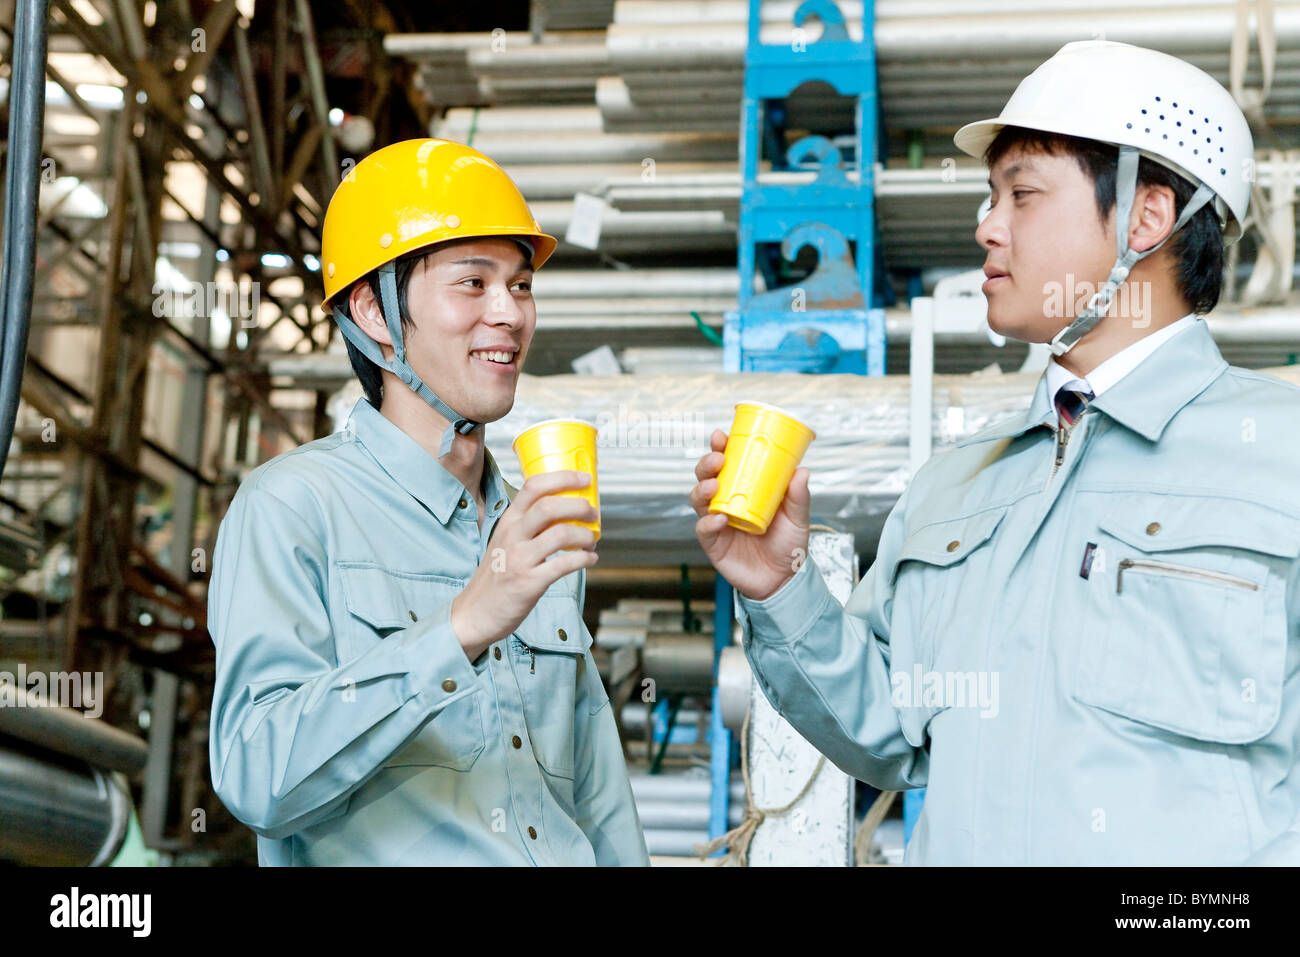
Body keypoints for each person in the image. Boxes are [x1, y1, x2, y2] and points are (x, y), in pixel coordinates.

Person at [690, 40, 1300, 865]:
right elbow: (885, 732)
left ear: (1146, 218)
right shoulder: (956, 484)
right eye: (991, 197)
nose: (986, 227)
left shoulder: (1281, 454)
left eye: (1023, 196)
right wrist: (780, 587)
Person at [208, 138, 648, 866]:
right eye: (473, 283)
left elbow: (597, 795)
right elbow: (257, 775)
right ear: (374, 313)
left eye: (522, 283)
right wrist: (460, 628)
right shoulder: (292, 508)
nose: (509, 313)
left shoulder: (532, 527)